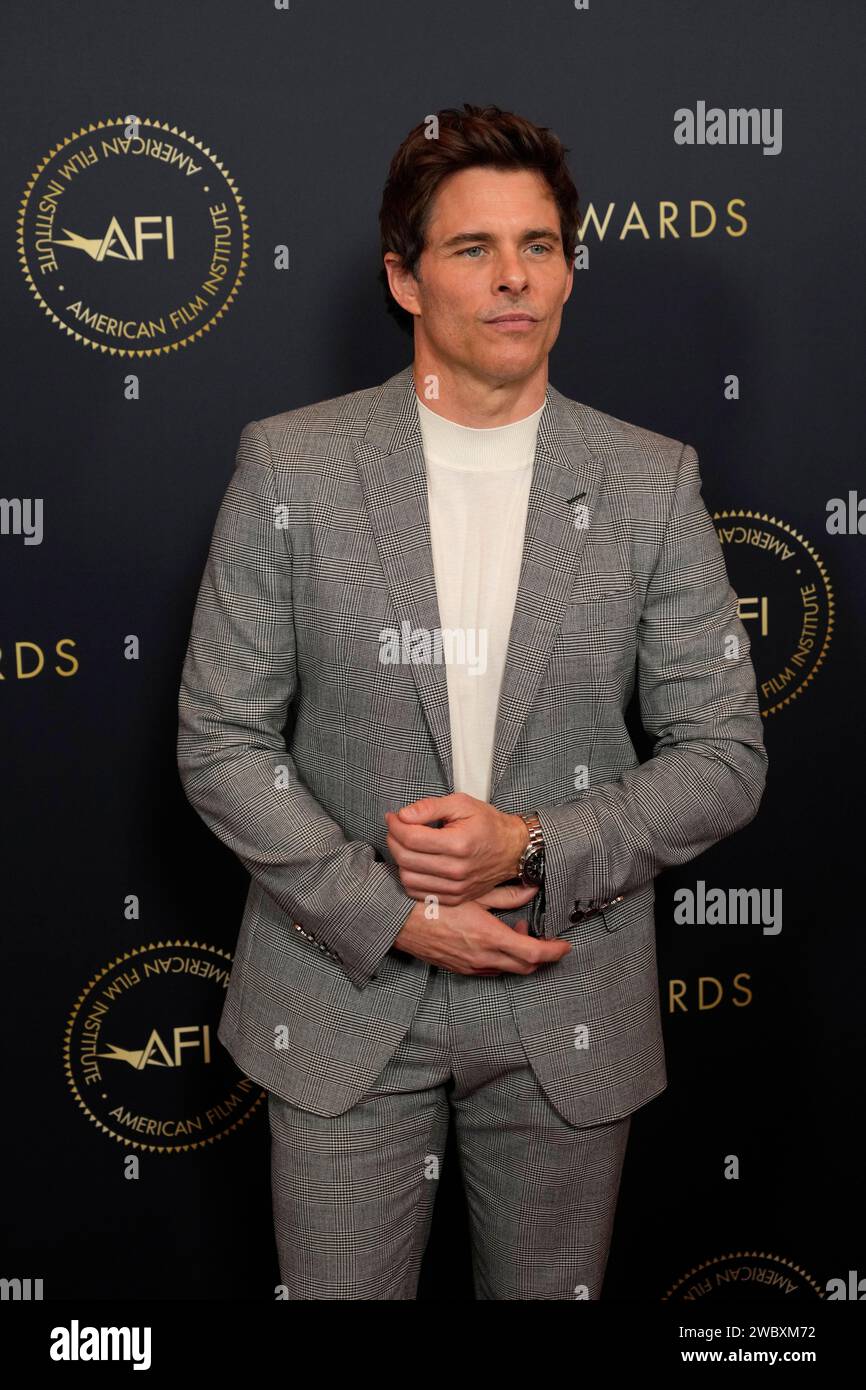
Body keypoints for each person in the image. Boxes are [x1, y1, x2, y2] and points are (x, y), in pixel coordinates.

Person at [176, 103, 768, 1300]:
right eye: (470, 249)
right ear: (402, 277)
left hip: (566, 996)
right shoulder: (290, 464)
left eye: (539, 246)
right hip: (343, 994)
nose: (513, 280)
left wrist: (534, 843)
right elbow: (222, 741)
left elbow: (721, 757)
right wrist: (389, 914)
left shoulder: (650, 482)